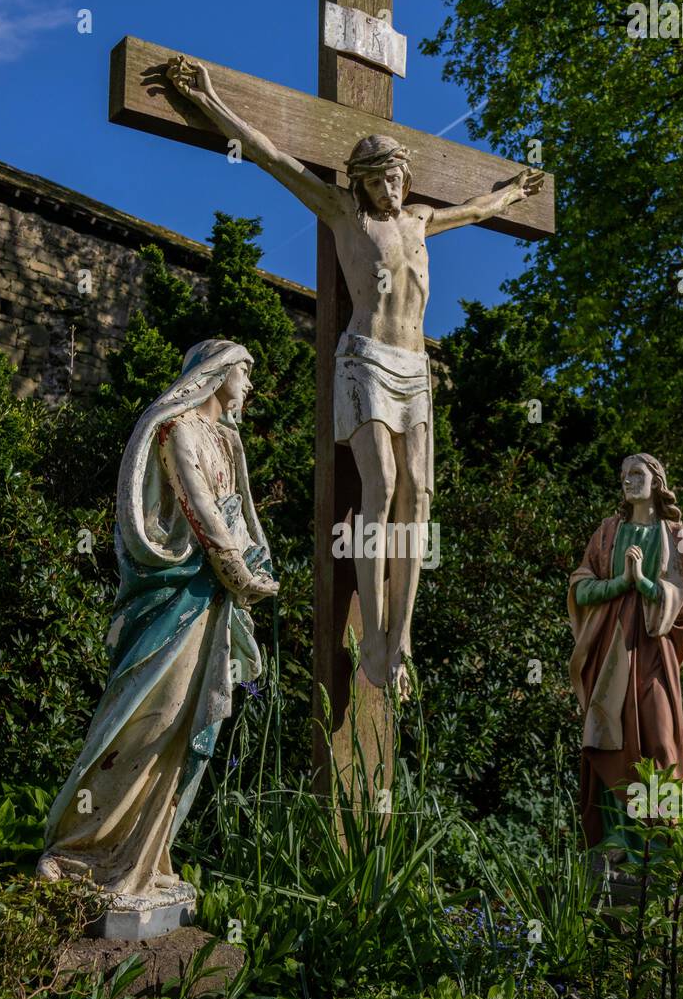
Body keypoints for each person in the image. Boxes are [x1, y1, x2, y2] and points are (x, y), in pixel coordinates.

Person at [165, 55, 543, 699]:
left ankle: (400, 636)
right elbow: (270, 155)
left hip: (415, 366)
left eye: (398, 178)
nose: (391, 189)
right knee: (384, 485)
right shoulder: (344, 214)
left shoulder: (421, 219)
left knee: (419, 498)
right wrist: (208, 98)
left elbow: (479, 209)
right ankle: (369, 635)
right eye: (381, 180)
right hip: (366, 355)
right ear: (363, 183)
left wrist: (513, 192)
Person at [37, 340, 278, 898]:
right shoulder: (181, 430)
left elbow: (237, 514)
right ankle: (79, 849)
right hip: (175, 597)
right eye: (244, 371)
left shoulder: (226, 441)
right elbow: (202, 513)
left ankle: (143, 860)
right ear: (217, 373)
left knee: (187, 727)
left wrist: (253, 566)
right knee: (149, 717)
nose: (248, 385)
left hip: (210, 601)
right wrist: (239, 573)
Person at [567, 454, 683, 848]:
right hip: (609, 653)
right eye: (624, 475)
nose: (628, 481)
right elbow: (580, 587)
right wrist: (621, 583)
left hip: (654, 654)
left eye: (637, 474)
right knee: (609, 735)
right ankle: (615, 845)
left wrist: (642, 582)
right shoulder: (608, 532)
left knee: (660, 738)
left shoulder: (680, 537)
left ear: (656, 482)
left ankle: (658, 849)